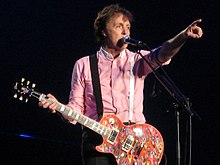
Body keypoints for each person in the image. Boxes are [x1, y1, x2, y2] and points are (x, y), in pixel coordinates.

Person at [38, 3, 203, 165]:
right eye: (119, 26)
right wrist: (59, 107)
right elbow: (75, 109)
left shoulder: (137, 60)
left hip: (135, 142)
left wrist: (183, 36)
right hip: (97, 140)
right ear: (103, 31)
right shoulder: (84, 65)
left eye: (128, 27)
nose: (125, 31)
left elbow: (162, 53)